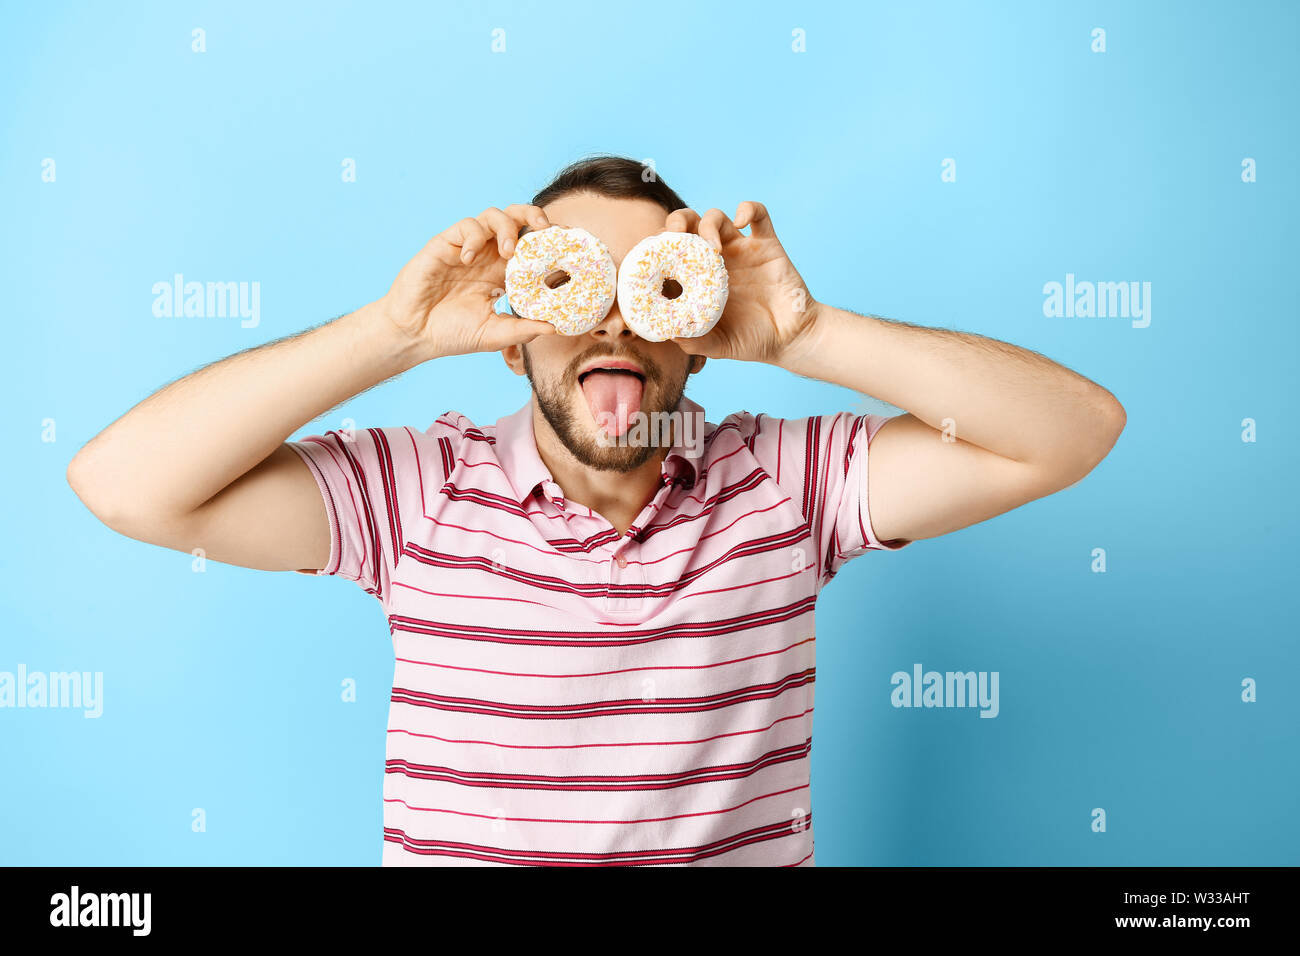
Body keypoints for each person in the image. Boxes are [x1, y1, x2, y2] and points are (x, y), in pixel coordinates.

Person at [67, 155, 1125, 866]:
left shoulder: (784, 484)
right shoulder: (415, 491)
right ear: (517, 330)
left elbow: (1071, 430)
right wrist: (392, 335)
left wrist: (806, 333)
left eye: (653, 289)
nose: (615, 321)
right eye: (577, 286)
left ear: (699, 323)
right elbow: (125, 483)